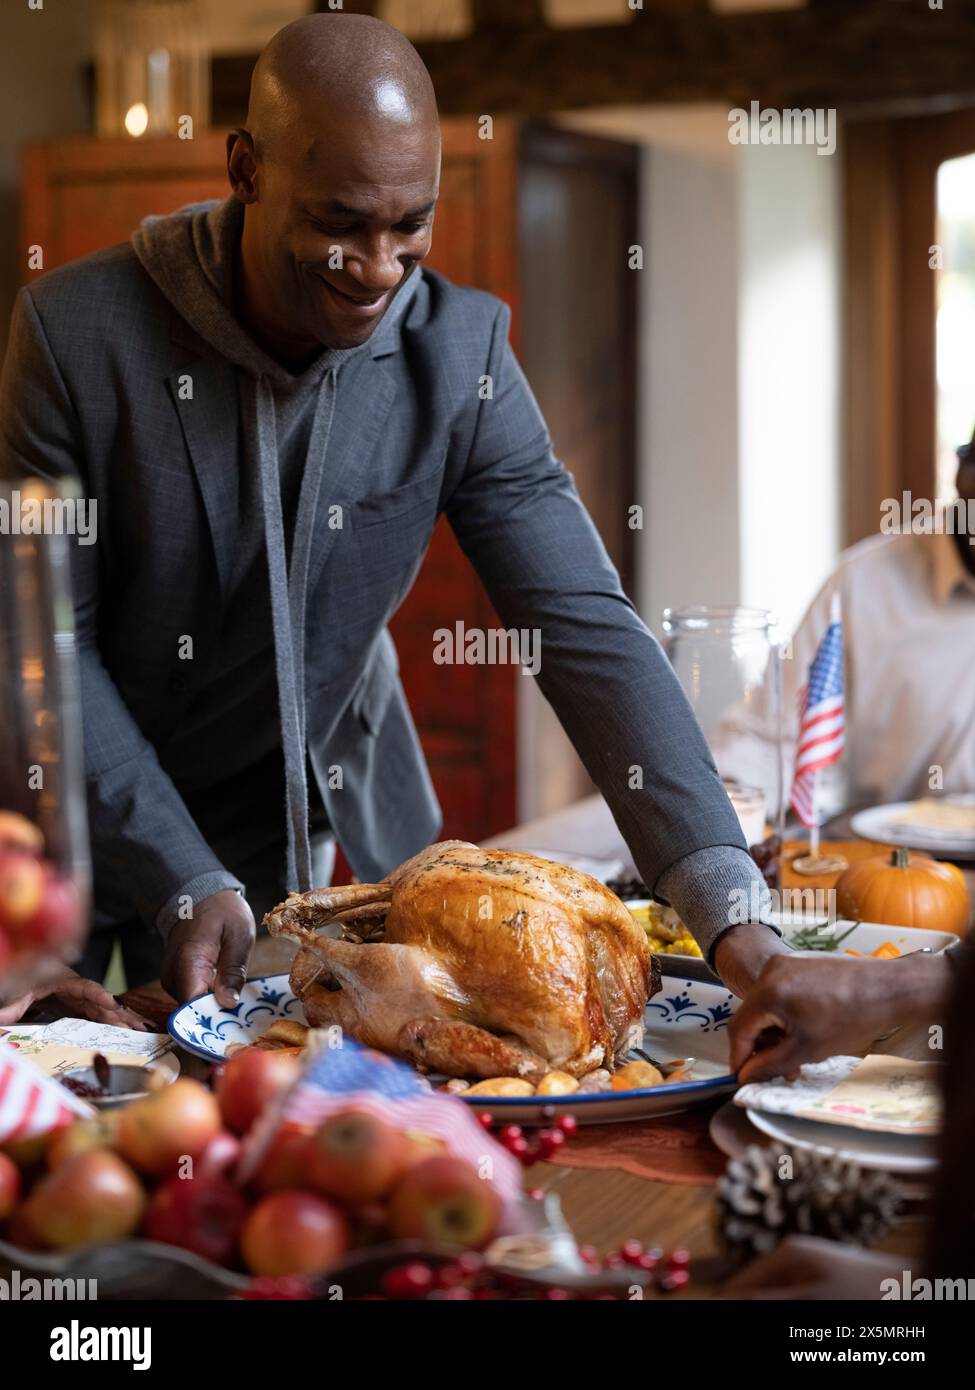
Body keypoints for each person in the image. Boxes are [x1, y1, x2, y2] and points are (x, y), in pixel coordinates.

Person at [0, 13, 783, 1022]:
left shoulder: (462, 358)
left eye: (409, 223)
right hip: (66, 794)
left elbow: (586, 627)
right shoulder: (74, 337)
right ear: (246, 168)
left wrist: (738, 919)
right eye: (338, 222)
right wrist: (181, 872)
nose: (377, 266)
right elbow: (46, 649)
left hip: (306, 810)